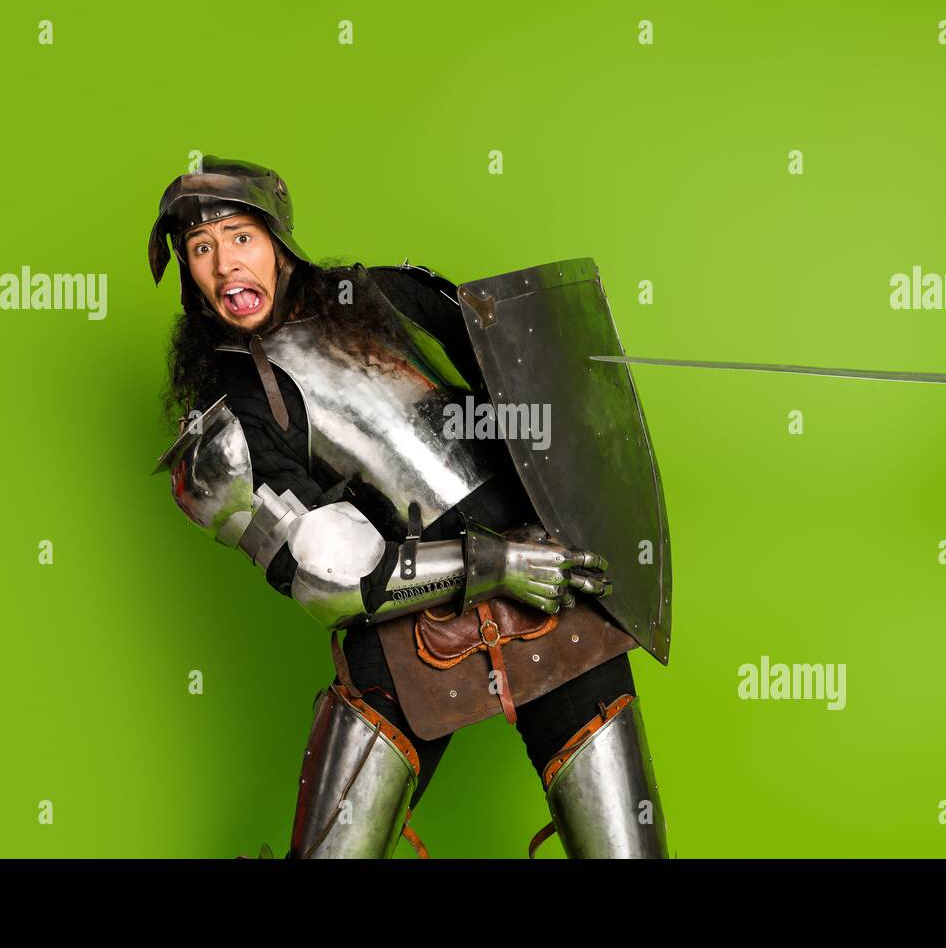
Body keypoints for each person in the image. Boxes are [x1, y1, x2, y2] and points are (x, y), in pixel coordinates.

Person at [150, 155, 668, 858]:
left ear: (277, 241)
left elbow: (526, 380)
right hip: (405, 612)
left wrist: (575, 388)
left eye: (240, 237)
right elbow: (330, 572)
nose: (224, 265)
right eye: (201, 249)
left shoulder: (386, 300)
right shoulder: (233, 416)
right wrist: (492, 564)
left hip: (548, 577)